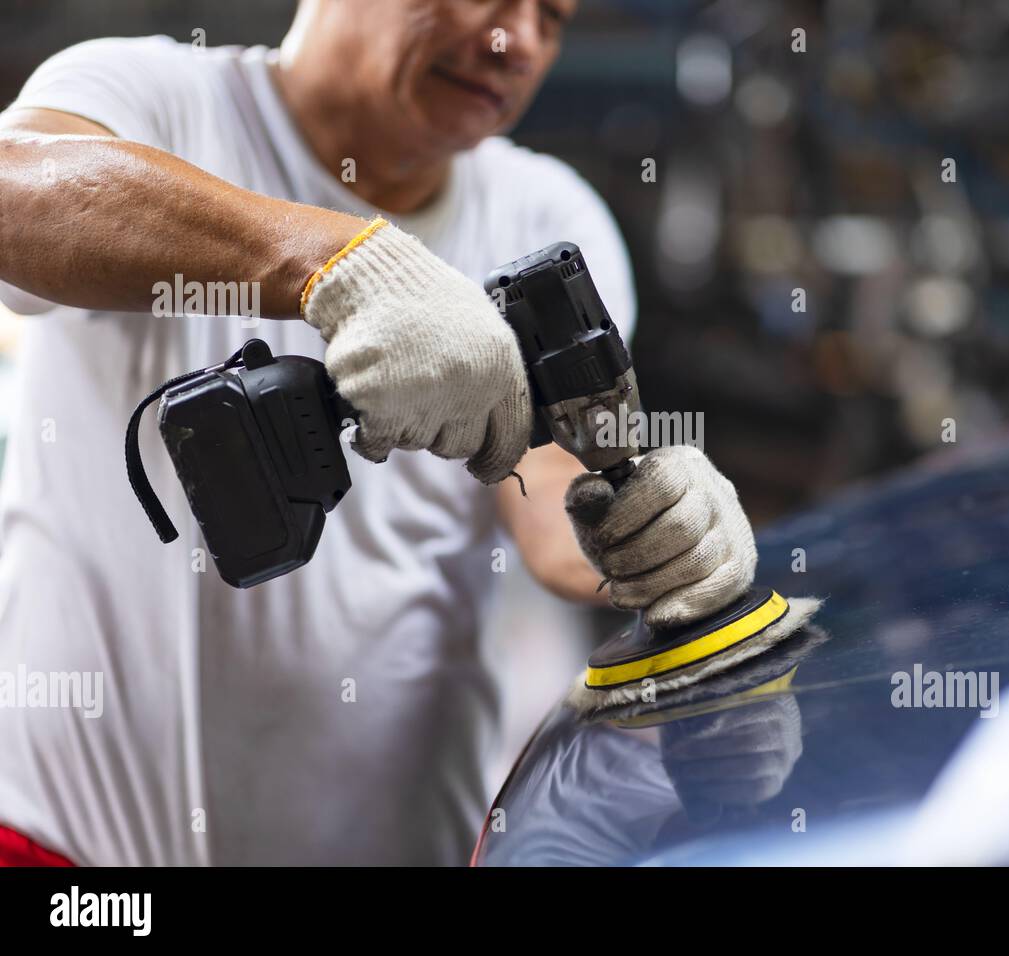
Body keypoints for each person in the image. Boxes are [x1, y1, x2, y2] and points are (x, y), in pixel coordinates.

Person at [0, 0, 757, 865]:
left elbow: (554, 489)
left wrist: (655, 531)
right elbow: (13, 193)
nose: (516, 41)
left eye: (552, 16)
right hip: (70, 853)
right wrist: (340, 264)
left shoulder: (547, 216)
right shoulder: (151, 96)